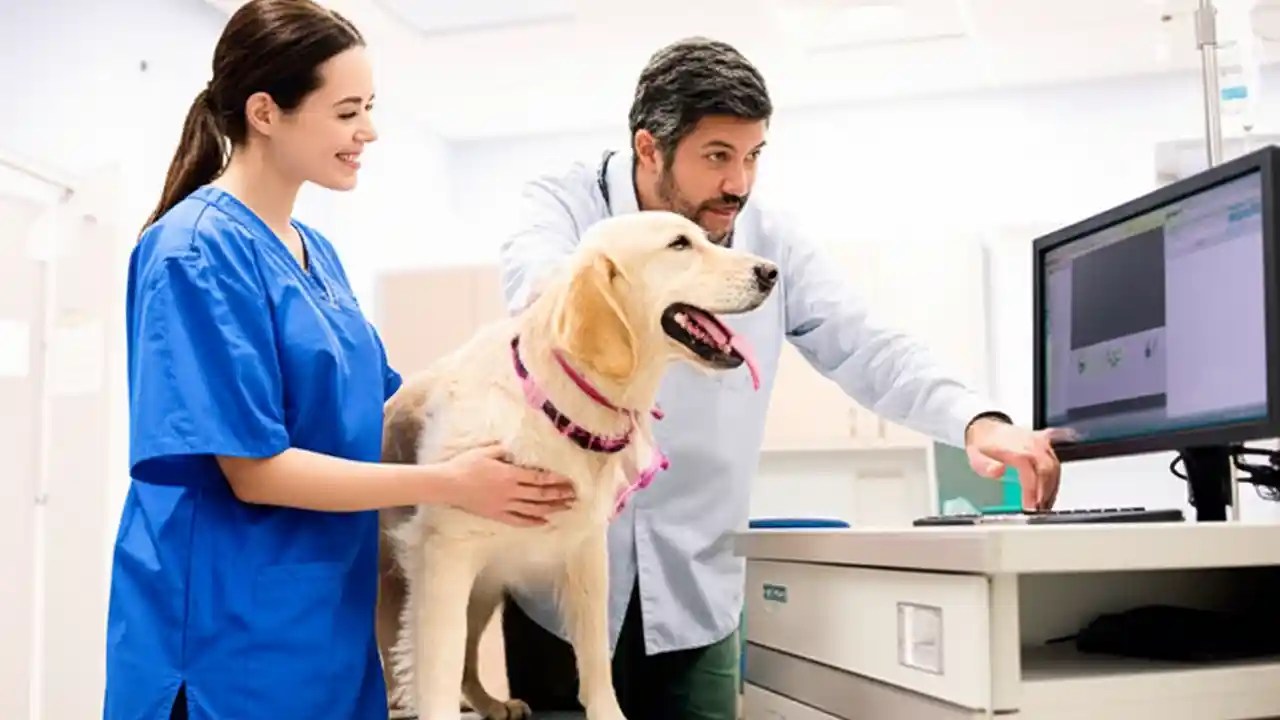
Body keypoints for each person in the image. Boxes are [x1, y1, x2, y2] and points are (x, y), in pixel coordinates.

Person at [496, 36, 1063, 719]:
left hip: (695, 588)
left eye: (753, 156)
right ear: (649, 149)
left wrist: (975, 419)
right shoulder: (565, 210)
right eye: (717, 157)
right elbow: (543, 299)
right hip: (559, 580)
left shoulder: (769, 241)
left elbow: (866, 345)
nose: (739, 183)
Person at [102, 2, 576, 719]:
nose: (370, 132)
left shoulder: (313, 253)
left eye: (371, 108)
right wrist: (451, 482)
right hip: (227, 643)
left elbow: (389, 409)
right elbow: (254, 471)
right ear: (266, 112)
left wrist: (548, 409)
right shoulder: (194, 252)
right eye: (347, 111)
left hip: (325, 629)